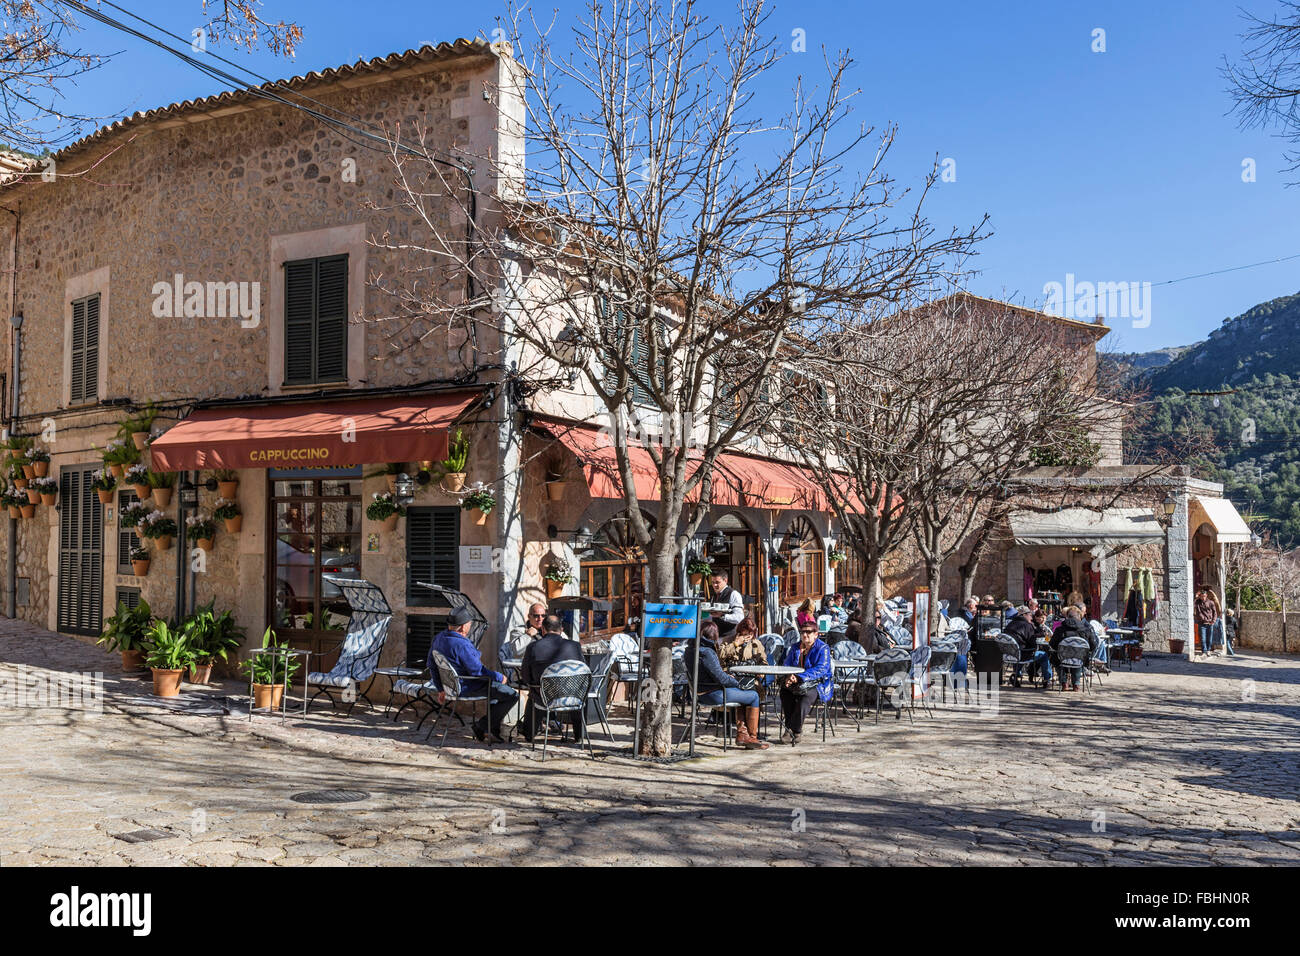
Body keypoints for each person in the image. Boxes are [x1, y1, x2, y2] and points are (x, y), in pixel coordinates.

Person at [429, 606, 518, 742]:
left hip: (452, 688)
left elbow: (432, 666)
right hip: (468, 686)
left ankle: (489, 730)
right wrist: (500, 677)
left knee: (495, 690)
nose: (470, 626)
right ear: (463, 627)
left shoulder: (439, 638)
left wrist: (441, 689)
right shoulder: (461, 645)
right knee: (511, 695)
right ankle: (481, 726)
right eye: (470, 624)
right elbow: (477, 672)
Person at [684, 622, 768, 749]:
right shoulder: (707, 652)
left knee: (743, 695)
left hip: (699, 693)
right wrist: (735, 682)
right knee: (753, 696)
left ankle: (743, 735)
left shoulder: (690, 649)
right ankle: (752, 737)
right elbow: (721, 678)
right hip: (713, 694)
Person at [519, 613, 585, 743]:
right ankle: (579, 736)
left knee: (533, 693)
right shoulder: (575, 646)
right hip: (572, 697)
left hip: (545, 698)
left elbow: (525, 676)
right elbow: (583, 672)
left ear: (543, 629)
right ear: (561, 630)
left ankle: (529, 734)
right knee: (575, 689)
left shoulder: (533, 647)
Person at [779, 620, 833, 745]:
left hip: (817, 683)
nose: (805, 635)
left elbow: (821, 669)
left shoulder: (823, 648)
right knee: (785, 692)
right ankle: (790, 727)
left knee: (806, 696)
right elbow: (787, 664)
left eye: (809, 632)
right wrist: (789, 676)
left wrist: (799, 677)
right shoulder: (795, 647)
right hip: (796, 682)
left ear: (816, 634)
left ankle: (795, 730)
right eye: (803, 632)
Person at [1050, 607, 1097, 691]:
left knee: (1055, 657)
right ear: (1079, 617)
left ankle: (1064, 682)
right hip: (1080, 659)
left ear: (1067, 617)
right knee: (1079, 656)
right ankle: (1076, 684)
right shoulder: (1086, 630)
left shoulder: (1059, 630)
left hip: (1062, 658)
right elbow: (1093, 646)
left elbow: (1052, 644)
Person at [1006, 605, 1051, 687]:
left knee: (1019, 652)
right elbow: (1032, 642)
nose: (1031, 617)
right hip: (1023, 654)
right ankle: (1046, 679)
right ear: (1024, 615)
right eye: (1030, 615)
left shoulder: (1010, 624)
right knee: (1044, 655)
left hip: (1009, 654)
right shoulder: (1027, 625)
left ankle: (1016, 675)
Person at [708, 569, 745, 642]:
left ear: (725, 580)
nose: (714, 585)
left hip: (729, 638)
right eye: (713, 582)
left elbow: (739, 617)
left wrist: (722, 616)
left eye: (717, 582)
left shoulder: (734, 594)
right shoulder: (714, 595)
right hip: (715, 637)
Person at [1194, 588, 1218, 656]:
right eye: (1201, 596)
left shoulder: (1211, 602)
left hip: (1210, 623)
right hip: (1202, 623)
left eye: (1204, 596)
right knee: (1203, 638)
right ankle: (1204, 651)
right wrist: (1196, 597)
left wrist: (1213, 621)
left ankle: (1208, 650)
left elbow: (1215, 613)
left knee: (1209, 638)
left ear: (1206, 595)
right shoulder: (1198, 602)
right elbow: (1197, 611)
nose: (1203, 597)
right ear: (1200, 596)